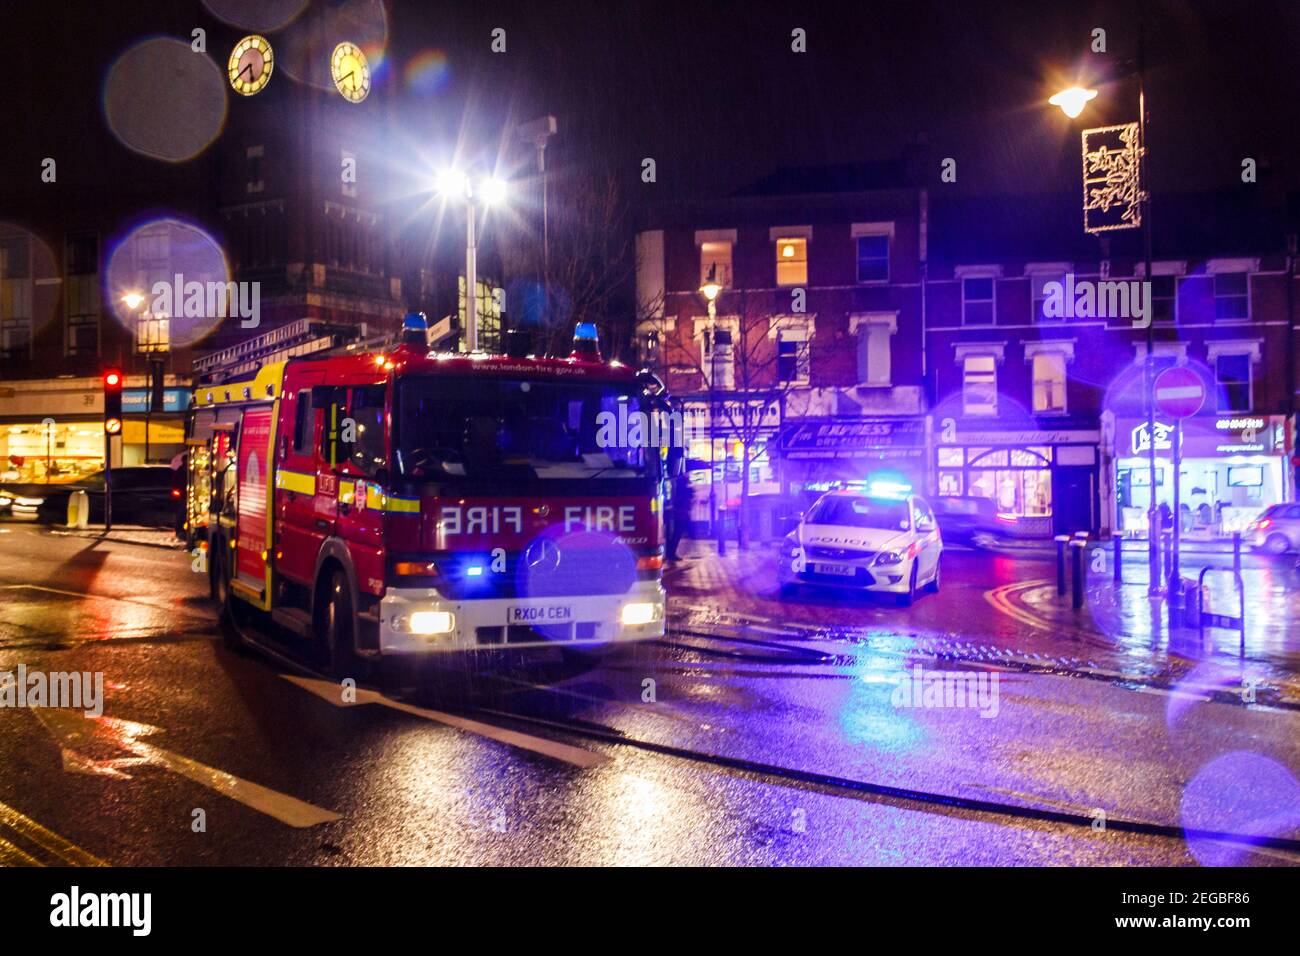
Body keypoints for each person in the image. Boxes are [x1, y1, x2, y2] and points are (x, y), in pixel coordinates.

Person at [667, 470, 694, 561]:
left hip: (680, 510)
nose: (690, 475)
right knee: (677, 533)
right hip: (681, 511)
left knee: (677, 532)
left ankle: (671, 553)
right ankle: (671, 553)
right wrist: (690, 490)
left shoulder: (681, 481)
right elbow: (684, 497)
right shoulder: (683, 482)